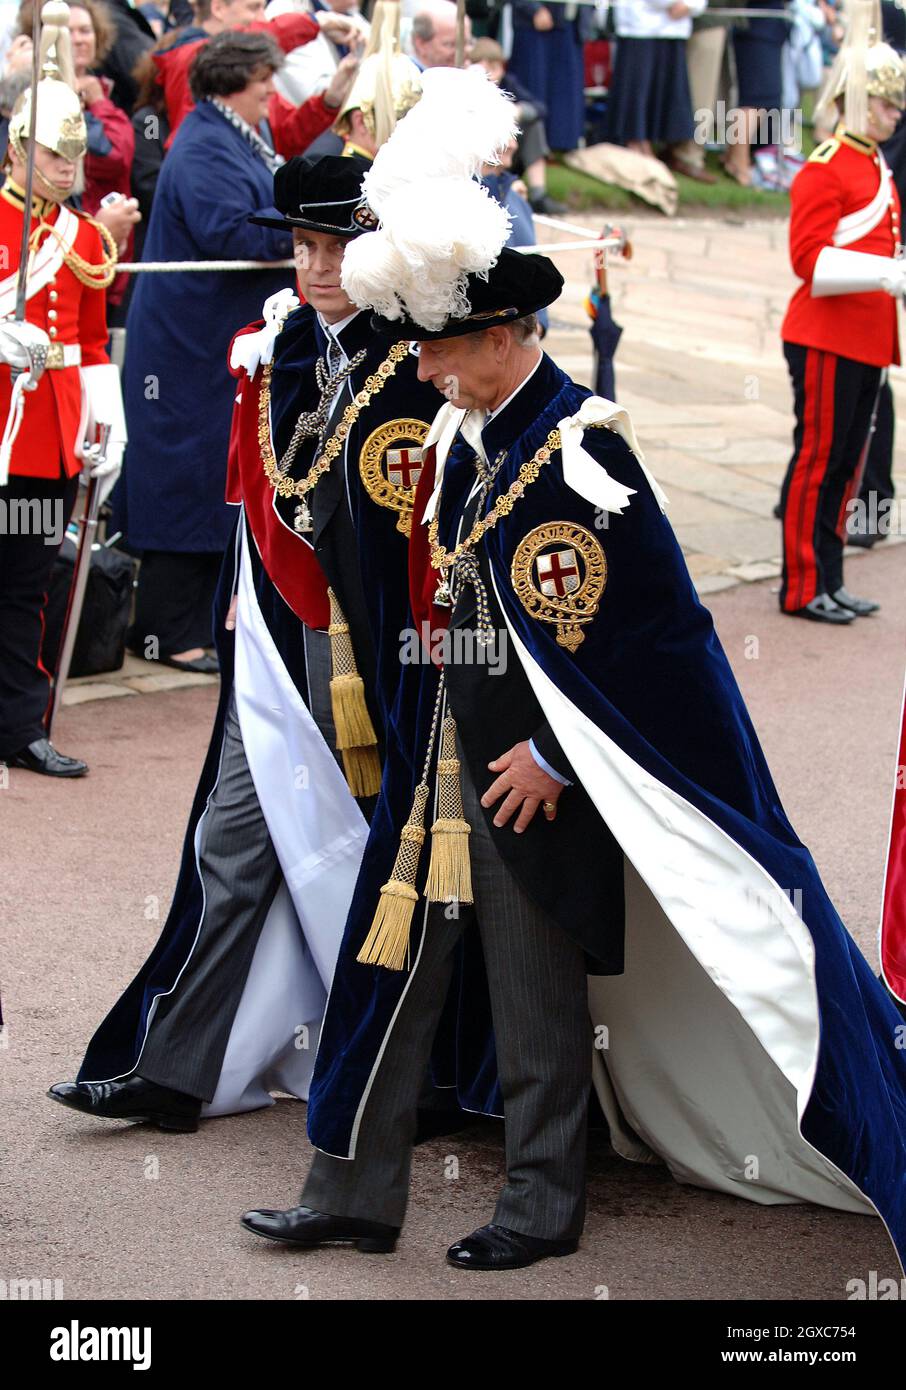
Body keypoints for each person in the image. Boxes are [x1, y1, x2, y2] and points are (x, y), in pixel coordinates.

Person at [239, 66, 906, 1274]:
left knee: (536, 996)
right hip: (437, 758)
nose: (426, 370)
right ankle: (349, 1190)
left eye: (446, 349)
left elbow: (658, 640)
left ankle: (542, 1207)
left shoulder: (584, 454)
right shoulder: (462, 436)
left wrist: (554, 756)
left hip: (529, 779)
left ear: (506, 336)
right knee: (381, 978)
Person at [48, 149, 445, 1128]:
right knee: (228, 848)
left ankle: (419, 1075)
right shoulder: (280, 344)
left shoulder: (417, 362)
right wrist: (238, 600)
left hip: (377, 659)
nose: (316, 266)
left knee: (381, 860)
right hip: (275, 643)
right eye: (303, 245)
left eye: (336, 247)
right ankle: (174, 1073)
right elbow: (254, 498)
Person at [117, 30, 354, 672]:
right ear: (232, 84)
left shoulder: (231, 133)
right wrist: (306, 235)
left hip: (208, 334)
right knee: (188, 474)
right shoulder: (202, 145)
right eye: (263, 81)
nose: (272, 93)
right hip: (188, 342)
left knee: (210, 472)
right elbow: (227, 230)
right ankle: (166, 628)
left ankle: (192, 619)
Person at [0, 3, 123, 779]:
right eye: (53, 154)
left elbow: (89, 339)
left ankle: (19, 724)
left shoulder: (81, 236)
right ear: (18, 148)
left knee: (25, 588)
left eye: (74, 156)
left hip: (47, 438)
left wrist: (106, 417)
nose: (67, 168)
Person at [778, 4, 904, 622]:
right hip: (827, 334)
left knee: (848, 465)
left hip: (865, 337)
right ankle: (802, 585)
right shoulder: (827, 165)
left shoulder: (873, 161)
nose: (896, 113)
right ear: (858, 100)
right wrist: (885, 274)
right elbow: (807, 259)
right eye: (885, 103)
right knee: (819, 461)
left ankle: (830, 575)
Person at [469, 35, 562, 213]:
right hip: (479, 157)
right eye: (486, 68)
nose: (492, 74)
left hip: (509, 153)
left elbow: (540, 108)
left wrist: (518, 111)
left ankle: (538, 194)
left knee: (534, 126)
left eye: (495, 67)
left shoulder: (508, 84)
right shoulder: (467, 86)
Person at [606, 0, 705, 162]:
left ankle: (648, 144)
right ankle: (635, 142)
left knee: (661, 90)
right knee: (637, 88)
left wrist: (691, 4)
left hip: (674, 28)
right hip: (638, 25)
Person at [507, 1, 591, 154]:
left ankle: (562, 144)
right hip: (535, 24)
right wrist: (534, 9)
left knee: (565, 90)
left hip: (569, 23)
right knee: (533, 88)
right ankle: (532, 149)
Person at [724, 0, 788, 184]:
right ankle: (739, 162)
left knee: (762, 98)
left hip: (768, 26)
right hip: (757, 26)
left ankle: (734, 157)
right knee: (754, 99)